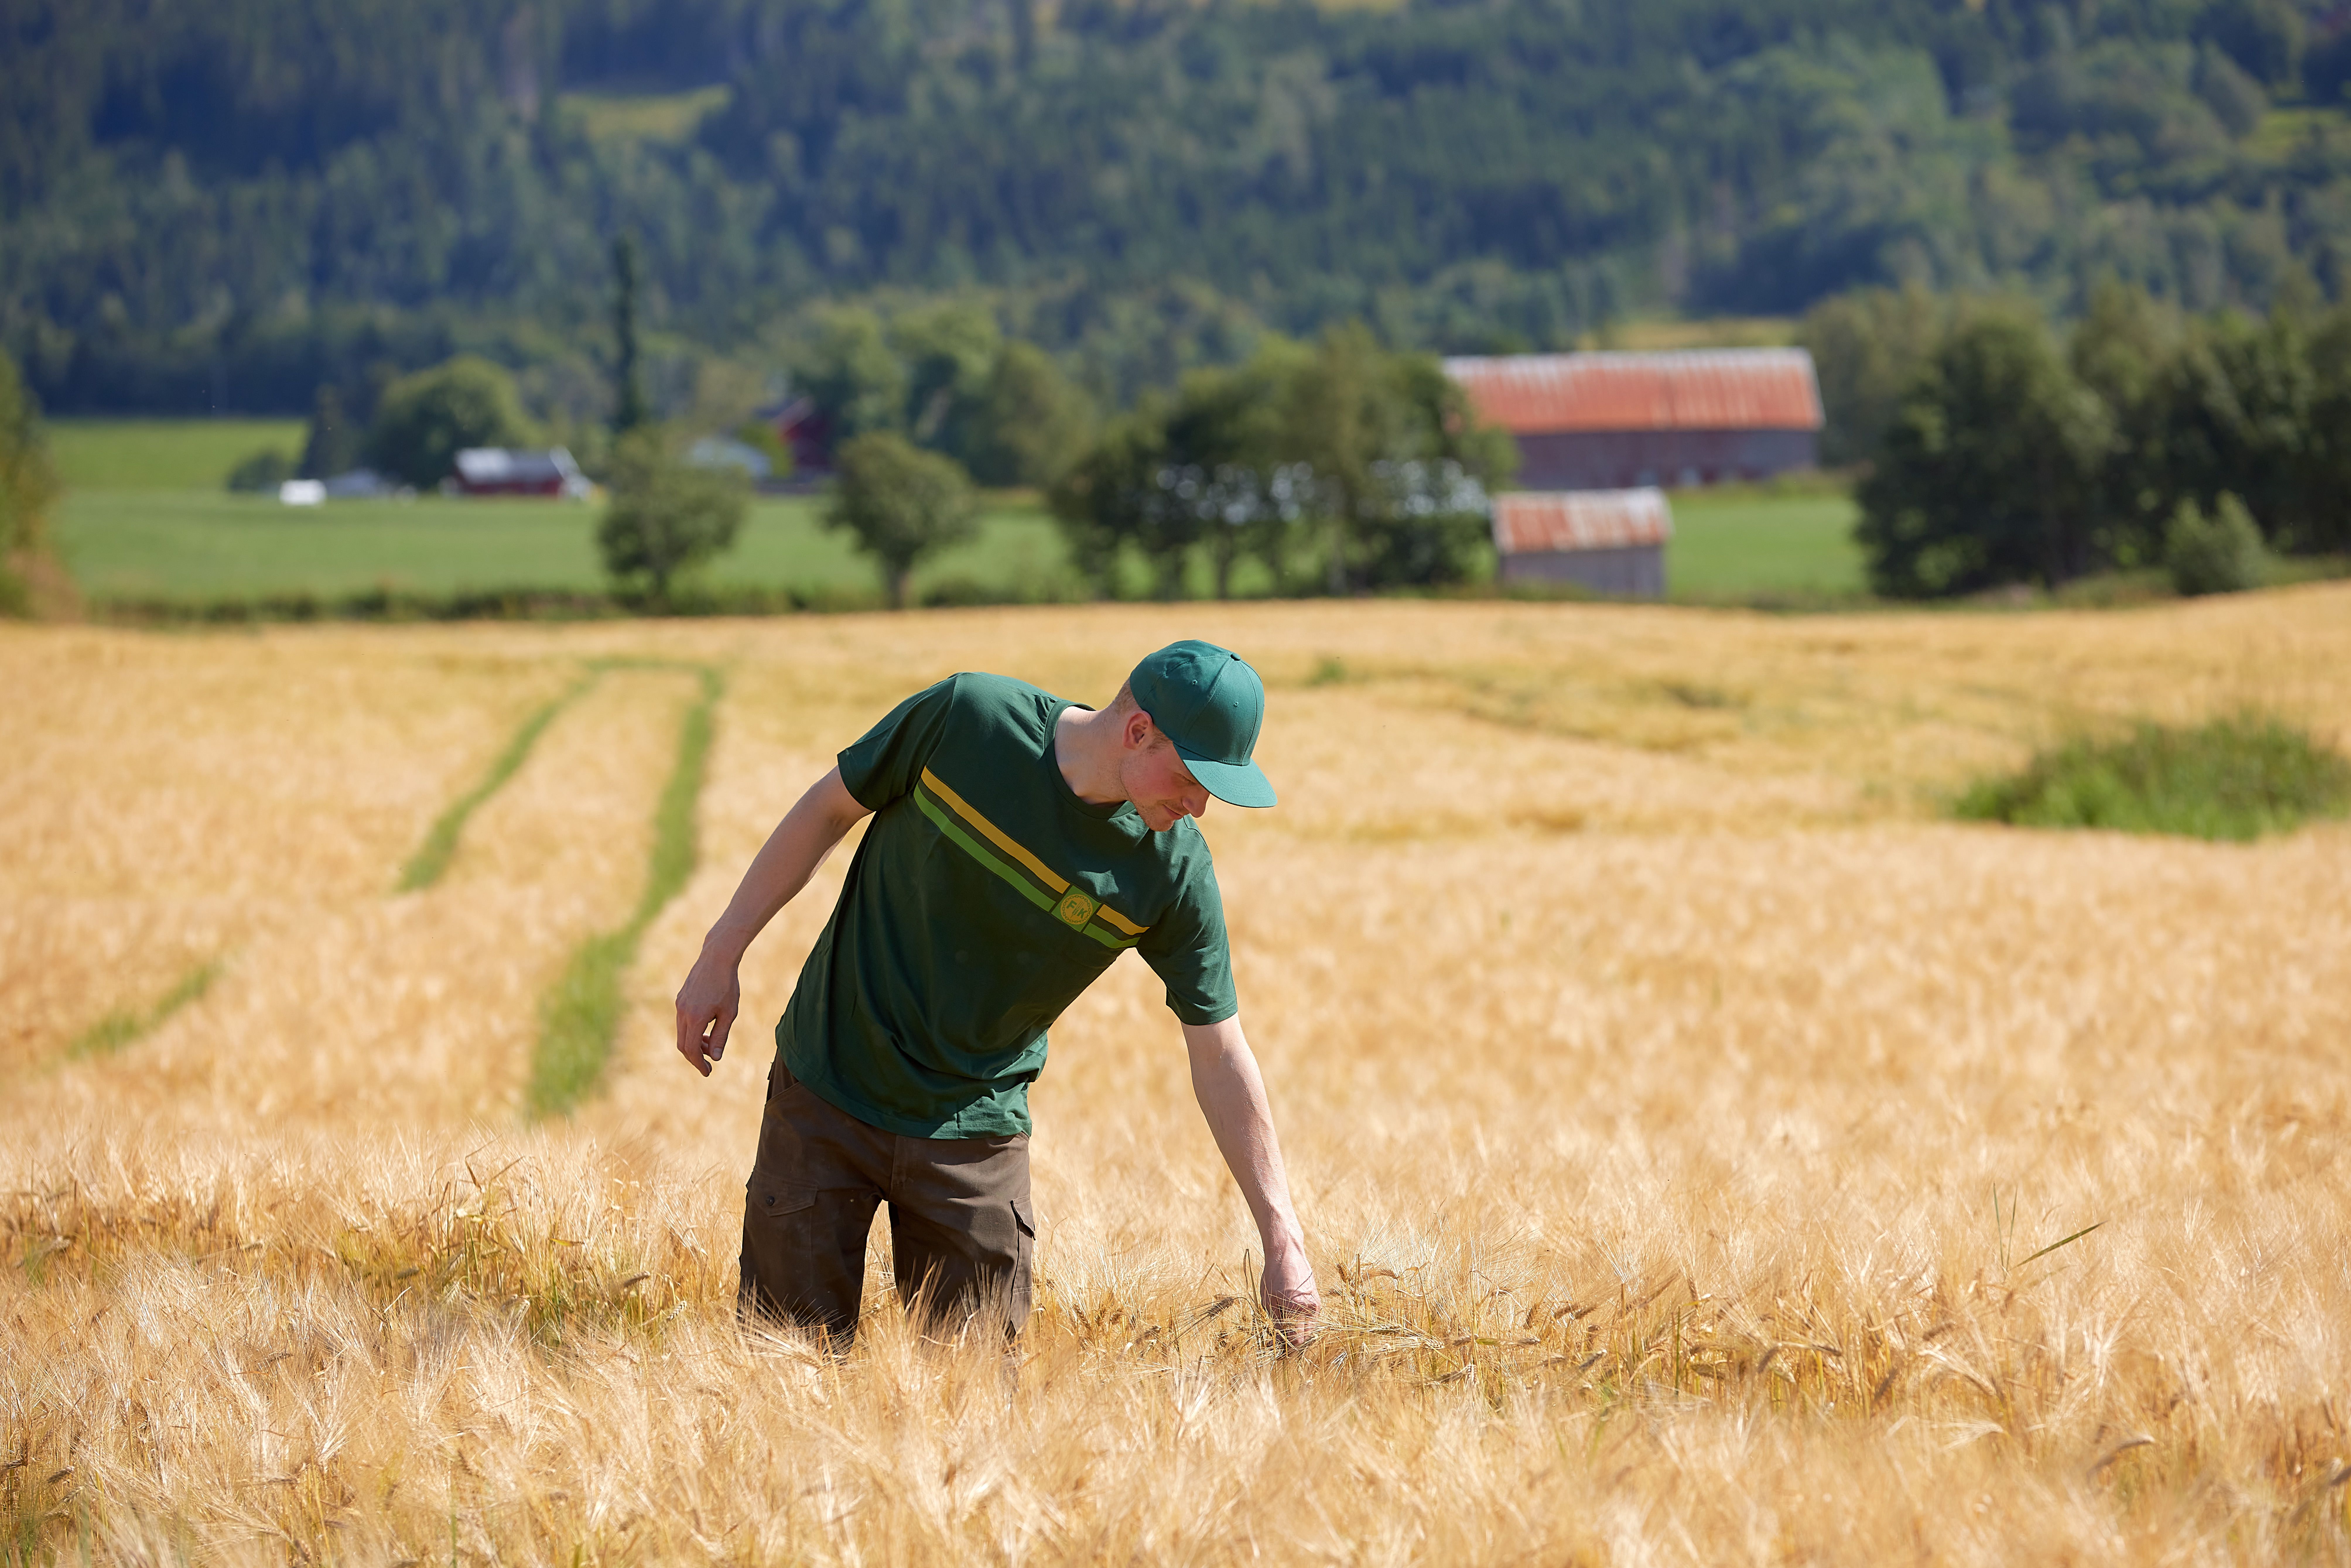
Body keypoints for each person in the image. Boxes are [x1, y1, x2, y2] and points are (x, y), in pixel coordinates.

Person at [673, 639, 1319, 1346]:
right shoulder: (968, 719)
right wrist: (721, 950)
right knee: (781, 1376)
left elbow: (1220, 1050)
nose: (1199, 804)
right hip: (826, 1091)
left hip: (975, 1139)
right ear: (1138, 731)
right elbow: (829, 808)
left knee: (975, 1415)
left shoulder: (1173, 874)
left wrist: (1281, 1237)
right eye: (1194, 776)